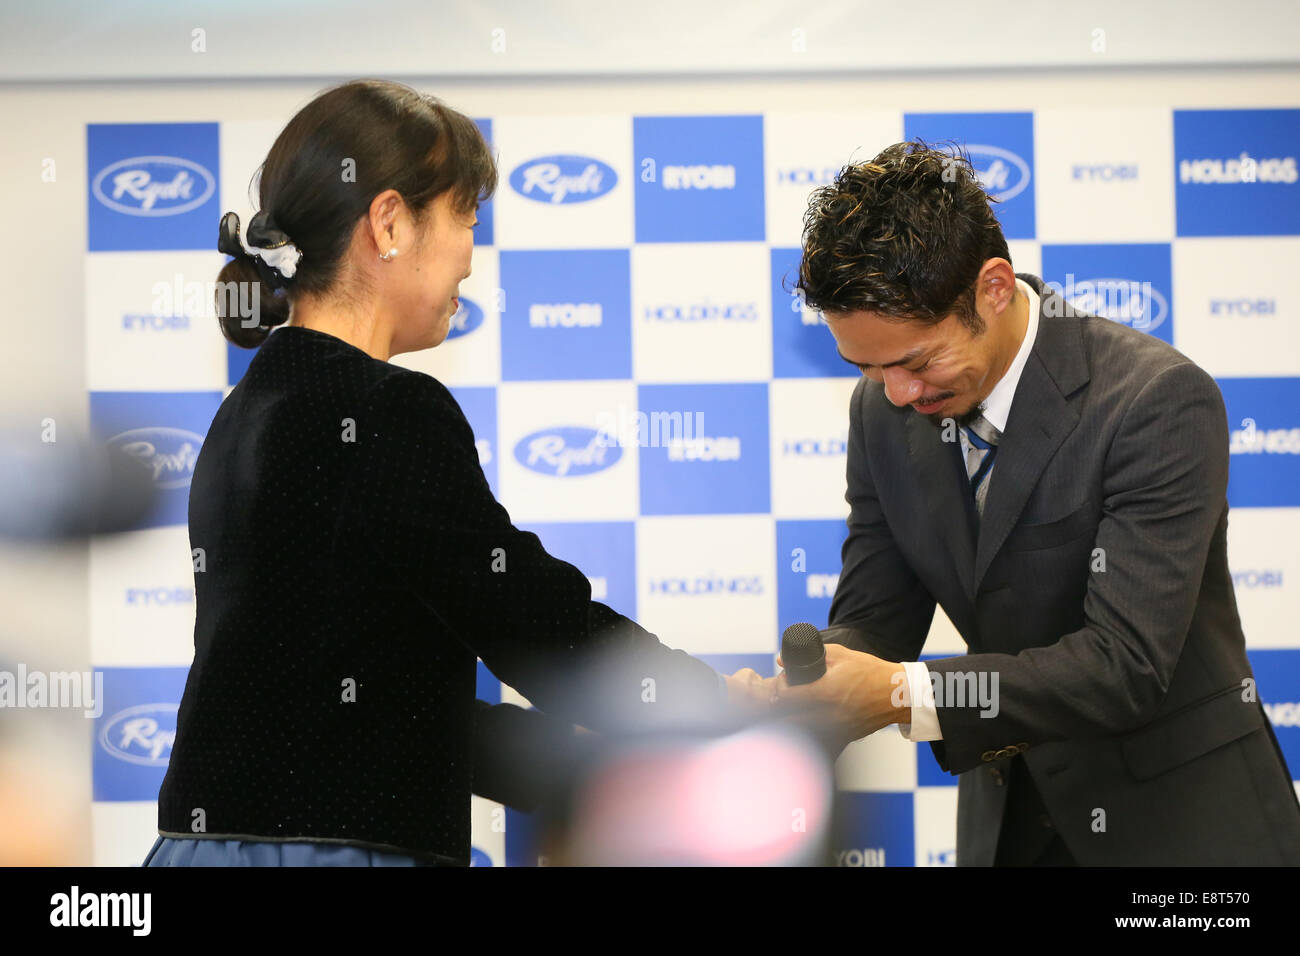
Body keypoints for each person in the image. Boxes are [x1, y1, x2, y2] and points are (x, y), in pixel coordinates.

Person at [142, 78, 771, 867]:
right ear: (390, 222)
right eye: (467, 214)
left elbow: (381, 702)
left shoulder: (249, 409)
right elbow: (531, 619)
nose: (473, 252)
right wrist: (709, 707)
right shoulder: (385, 406)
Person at [773, 139, 1300, 865]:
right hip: (1007, 825)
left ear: (992, 287)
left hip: (1182, 832)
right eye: (865, 367)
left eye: (916, 361)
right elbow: (876, 619)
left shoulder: (1155, 400)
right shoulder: (881, 412)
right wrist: (806, 689)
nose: (897, 394)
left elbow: (1124, 666)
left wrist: (899, 694)